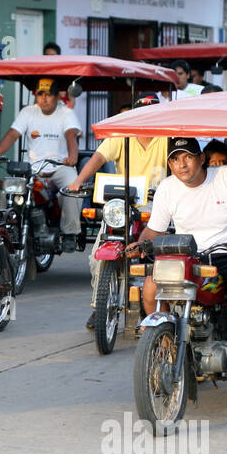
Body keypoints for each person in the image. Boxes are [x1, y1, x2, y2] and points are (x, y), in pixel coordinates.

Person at [135, 137, 227, 376]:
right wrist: (138, 245)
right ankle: (167, 346)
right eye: (175, 159)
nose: (182, 165)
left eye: (188, 157)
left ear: (201, 159)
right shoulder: (167, 187)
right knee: (149, 287)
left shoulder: (226, 176)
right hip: (188, 258)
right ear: (170, 164)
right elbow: (154, 229)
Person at [69, 98, 169, 329]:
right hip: (123, 205)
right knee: (96, 256)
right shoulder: (122, 137)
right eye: (142, 112)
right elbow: (99, 158)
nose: (146, 117)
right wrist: (79, 180)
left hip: (157, 205)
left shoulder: (168, 137)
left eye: (151, 112)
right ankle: (100, 306)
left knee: (159, 257)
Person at [0, 77, 83, 250]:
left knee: (72, 189)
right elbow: (13, 134)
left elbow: (71, 134)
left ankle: (70, 233)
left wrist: (72, 155)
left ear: (57, 97)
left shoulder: (66, 113)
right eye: (40, 95)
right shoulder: (28, 112)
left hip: (61, 167)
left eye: (49, 95)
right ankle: (3, 228)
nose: (44, 99)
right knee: (6, 192)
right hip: (33, 168)